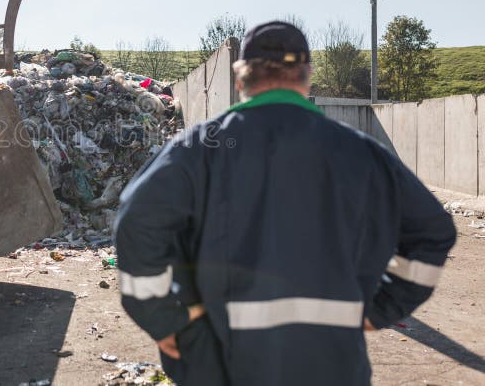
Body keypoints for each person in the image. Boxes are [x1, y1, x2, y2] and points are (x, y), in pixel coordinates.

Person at [114, 21, 456, 385]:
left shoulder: (199, 148)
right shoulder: (363, 153)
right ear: (306, 76)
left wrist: (163, 317)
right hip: (332, 364)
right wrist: (382, 308)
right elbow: (432, 232)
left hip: (221, 361)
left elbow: (138, 223)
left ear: (240, 79)